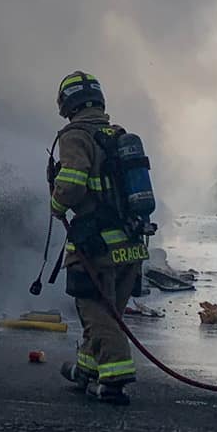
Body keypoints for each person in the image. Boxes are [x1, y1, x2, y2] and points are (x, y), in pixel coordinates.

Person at [46, 71, 150, 405]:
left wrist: (56, 202)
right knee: (109, 312)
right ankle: (86, 370)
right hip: (130, 246)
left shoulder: (76, 136)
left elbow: (73, 185)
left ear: (67, 103)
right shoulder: (115, 134)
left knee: (95, 311)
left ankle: (114, 379)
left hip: (97, 247)